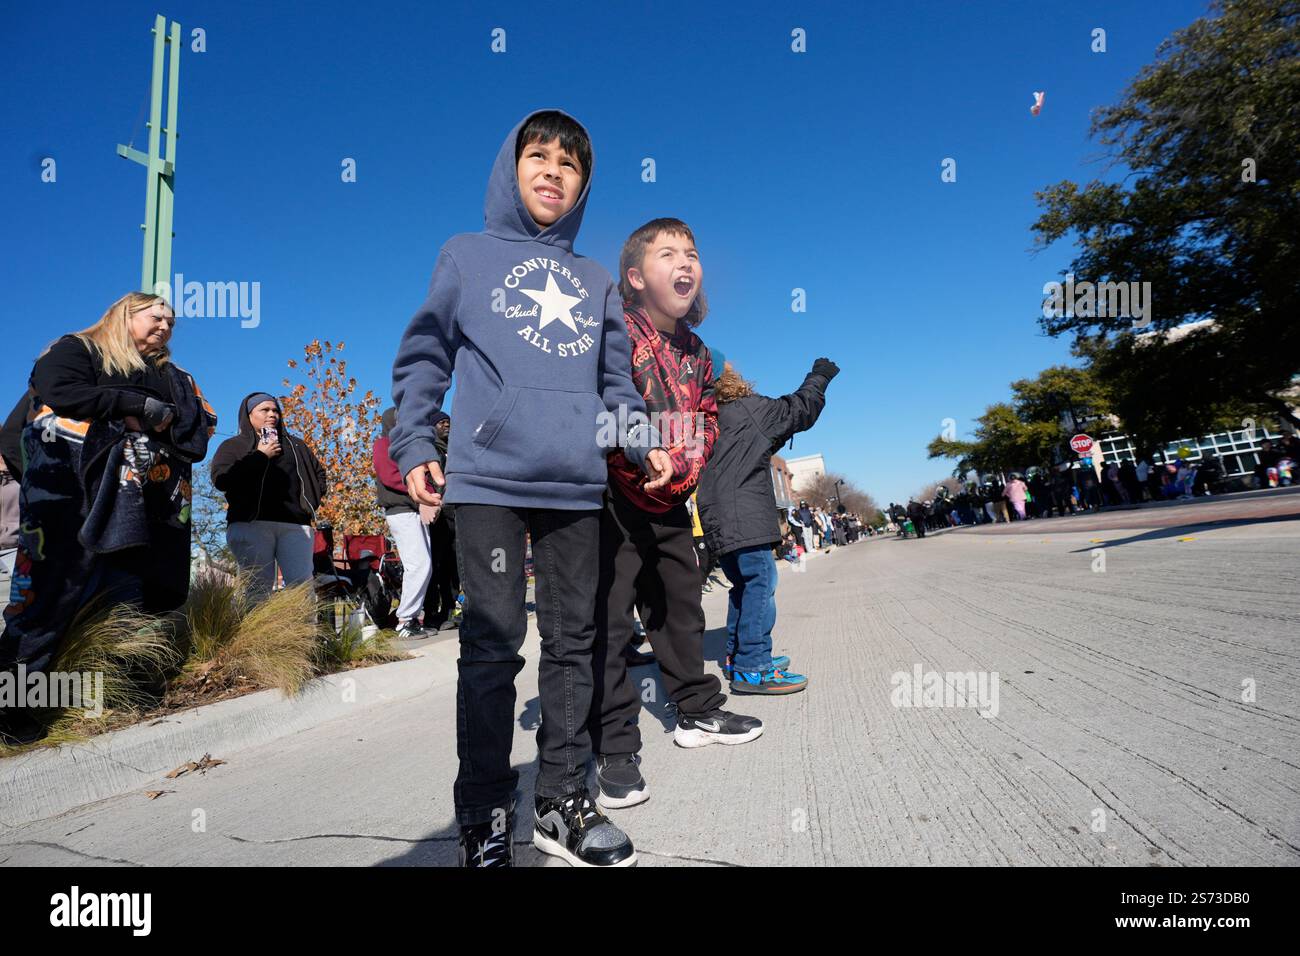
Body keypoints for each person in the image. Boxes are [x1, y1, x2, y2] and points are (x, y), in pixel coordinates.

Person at [389, 110, 670, 868]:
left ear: (584, 184)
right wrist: (415, 440)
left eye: (570, 164)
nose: (552, 171)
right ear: (509, 169)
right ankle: (482, 811)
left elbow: (617, 382)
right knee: (492, 644)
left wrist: (641, 443)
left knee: (575, 643)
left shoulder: (597, 279)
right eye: (537, 156)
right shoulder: (467, 255)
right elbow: (425, 356)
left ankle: (559, 801)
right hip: (487, 481)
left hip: (576, 485)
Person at [590, 217, 761, 813]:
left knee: (680, 607)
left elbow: (706, 416)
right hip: (610, 498)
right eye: (668, 253)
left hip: (671, 500)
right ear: (636, 277)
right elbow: (597, 405)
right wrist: (636, 453)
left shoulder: (700, 353)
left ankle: (697, 711)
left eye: (691, 252)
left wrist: (689, 462)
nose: (685, 261)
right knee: (610, 624)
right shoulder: (613, 333)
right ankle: (614, 744)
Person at [1, 292, 216, 679]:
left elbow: (195, 431)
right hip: (71, 501)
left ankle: (116, 691)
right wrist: (131, 407)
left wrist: (153, 417)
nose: (165, 327)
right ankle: (14, 708)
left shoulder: (171, 376)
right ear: (124, 314)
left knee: (125, 599)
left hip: (141, 512)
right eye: (157, 317)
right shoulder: (78, 349)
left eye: (171, 323)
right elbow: (58, 394)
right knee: (47, 598)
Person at [697, 358, 837, 695]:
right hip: (743, 514)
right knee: (760, 583)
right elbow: (799, 409)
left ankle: (738, 656)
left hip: (714, 516)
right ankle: (754, 667)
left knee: (742, 585)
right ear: (728, 377)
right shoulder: (746, 410)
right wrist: (819, 375)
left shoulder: (698, 420)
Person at [210, 393, 327, 602]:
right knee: (257, 588)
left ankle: (303, 635)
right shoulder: (233, 446)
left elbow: (319, 473)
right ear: (249, 415)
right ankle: (257, 635)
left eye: (275, 410)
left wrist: (311, 501)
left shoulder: (296, 445)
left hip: (295, 525)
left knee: (302, 588)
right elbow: (221, 479)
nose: (272, 414)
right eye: (264, 410)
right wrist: (260, 456)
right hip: (251, 523)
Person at [373, 407, 432, 639]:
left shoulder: (410, 446)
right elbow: (391, 476)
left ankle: (412, 618)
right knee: (418, 564)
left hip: (416, 508)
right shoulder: (383, 443)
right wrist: (422, 494)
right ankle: (405, 620)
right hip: (401, 510)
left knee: (424, 566)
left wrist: (429, 497)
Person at [422, 413, 460, 631]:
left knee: (453, 565)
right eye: (441, 422)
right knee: (435, 565)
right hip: (436, 514)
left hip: (454, 513)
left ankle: (449, 609)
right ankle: (431, 613)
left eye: (448, 422)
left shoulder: (454, 449)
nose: (446, 425)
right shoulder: (429, 450)